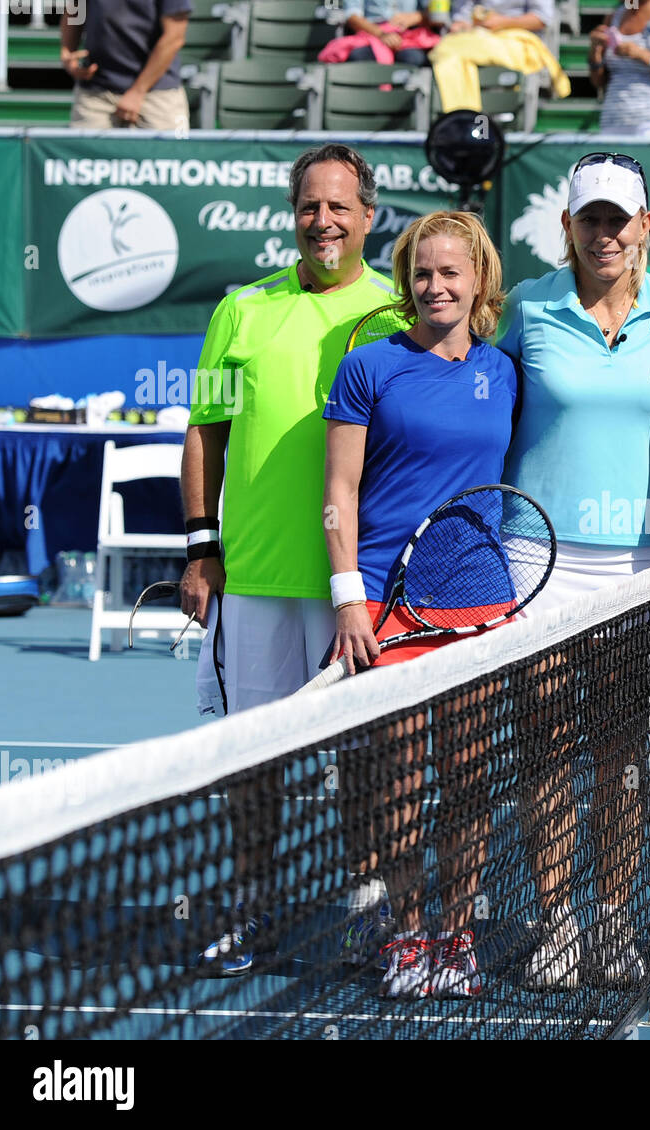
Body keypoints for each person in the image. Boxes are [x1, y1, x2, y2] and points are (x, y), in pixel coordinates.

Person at [181, 143, 397, 975]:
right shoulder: (243, 310)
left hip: (362, 586)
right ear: (293, 214)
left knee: (371, 760)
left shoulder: (395, 312)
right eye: (311, 206)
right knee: (254, 766)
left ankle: (369, 913)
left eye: (340, 206)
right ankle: (253, 911)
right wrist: (203, 549)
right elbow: (206, 430)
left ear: (369, 217)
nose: (324, 222)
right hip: (259, 581)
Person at [495, 152, 650, 988]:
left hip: (638, 558)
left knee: (620, 753)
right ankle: (556, 923)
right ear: (568, 228)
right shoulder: (524, 309)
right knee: (545, 747)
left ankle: (612, 920)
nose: (606, 233)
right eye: (591, 219)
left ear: (647, 226)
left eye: (621, 218)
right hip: (535, 556)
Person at [321, 211, 515, 1000]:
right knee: (400, 780)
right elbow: (338, 492)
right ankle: (406, 938)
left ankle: (456, 935)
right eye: (422, 274)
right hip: (384, 602)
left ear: (478, 280)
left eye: (450, 272)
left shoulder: (505, 371)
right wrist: (348, 600)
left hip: (480, 599)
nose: (436, 287)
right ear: (406, 283)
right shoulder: (368, 367)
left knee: (467, 779)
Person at [60, 0, 190, 131]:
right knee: (83, 151)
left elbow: (174, 38)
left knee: (168, 151)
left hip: (157, 94)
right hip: (95, 95)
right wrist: (68, 53)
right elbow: (74, 8)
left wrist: (138, 91)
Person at [429, 0, 569, 111]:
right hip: (476, 37)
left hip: (519, 38)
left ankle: (471, 114)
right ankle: (463, 115)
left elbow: (541, 18)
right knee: (447, 51)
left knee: (449, 49)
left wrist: (502, 22)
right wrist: (462, 25)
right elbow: (462, 18)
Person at [588, 0, 650, 140]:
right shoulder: (613, 18)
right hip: (614, 123)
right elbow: (598, 81)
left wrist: (645, 57)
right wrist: (595, 52)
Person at [324, 0, 442, 66]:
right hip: (372, 33)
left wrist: (416, 16)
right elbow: (352, 15)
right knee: (361, 57)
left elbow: (435, 12)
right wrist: (381, 34)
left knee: (414, 59)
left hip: (409, 36)